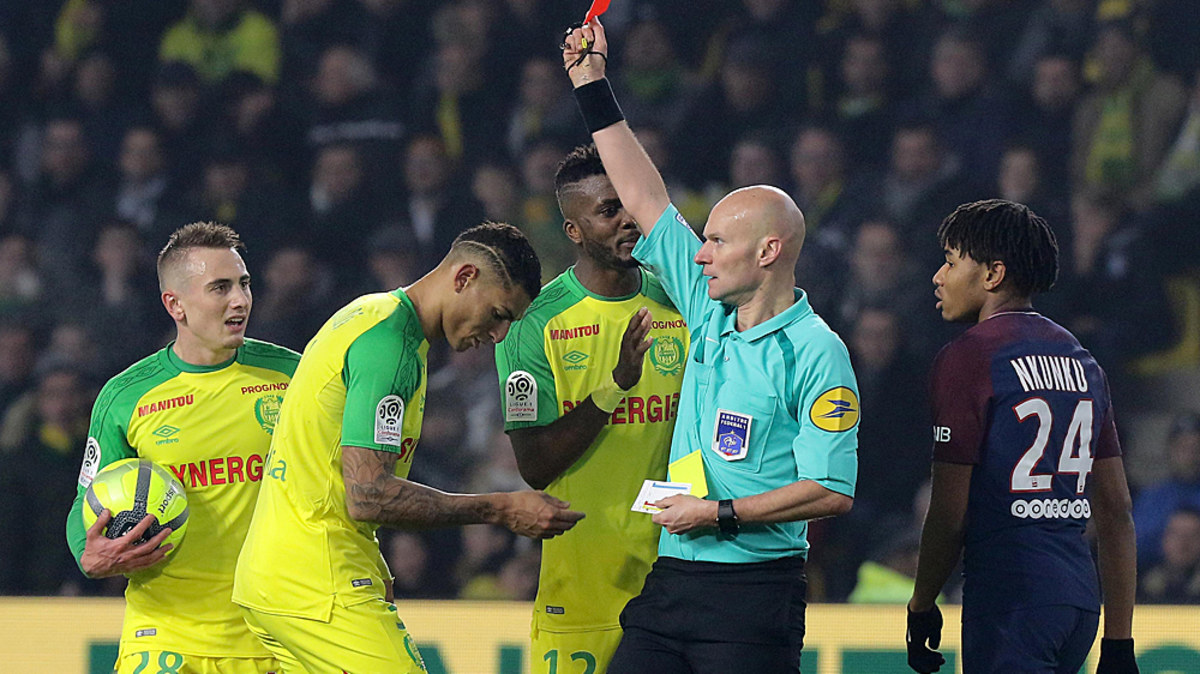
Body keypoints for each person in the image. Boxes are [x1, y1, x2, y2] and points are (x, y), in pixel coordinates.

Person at [562, 20, 859, 673]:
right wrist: (591, 85)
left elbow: (830, 490)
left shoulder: (816, 353)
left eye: (719, 240)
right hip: (672, 583)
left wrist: (717, 513)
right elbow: (645, 197)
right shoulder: (705, 307)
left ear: (769, 251)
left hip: (754, 594)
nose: (701, 251)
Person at [232, 222, 585, 673]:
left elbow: (329, 470)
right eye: (498, 314)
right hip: (318, 583)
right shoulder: (391, 346)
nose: (498, 335)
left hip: (276, 578)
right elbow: (369, 493)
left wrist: (375, 563)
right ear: (464, 278)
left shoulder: (371, 315)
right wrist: (500, 508)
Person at [905, 200, 1139, 674]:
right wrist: (1119, 641)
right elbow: (1115, 511)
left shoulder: (968, 358)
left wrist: (922, 604)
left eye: (950, 261)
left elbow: (950, 515)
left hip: (1011, 600)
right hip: (1078, 601)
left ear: (992, 275)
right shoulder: (1081, 360)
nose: (938, 275)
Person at [64, 222, 300, 674]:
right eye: (220, 288)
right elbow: (87, 498)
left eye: (244, 284)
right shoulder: (126, 396)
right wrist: (86, 553)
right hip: (166, 635)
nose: (240, 300)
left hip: (277, 636)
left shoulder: (293, 375)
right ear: (175, 304)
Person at [495, 143, 690, 672]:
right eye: (608, 211)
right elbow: (534, 466)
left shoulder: (682, 300)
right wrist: (614, 386)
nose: (627, 220)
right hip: (586, 587)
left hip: (680, 573)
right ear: (573, 232)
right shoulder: (533, 326)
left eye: (629, 203)